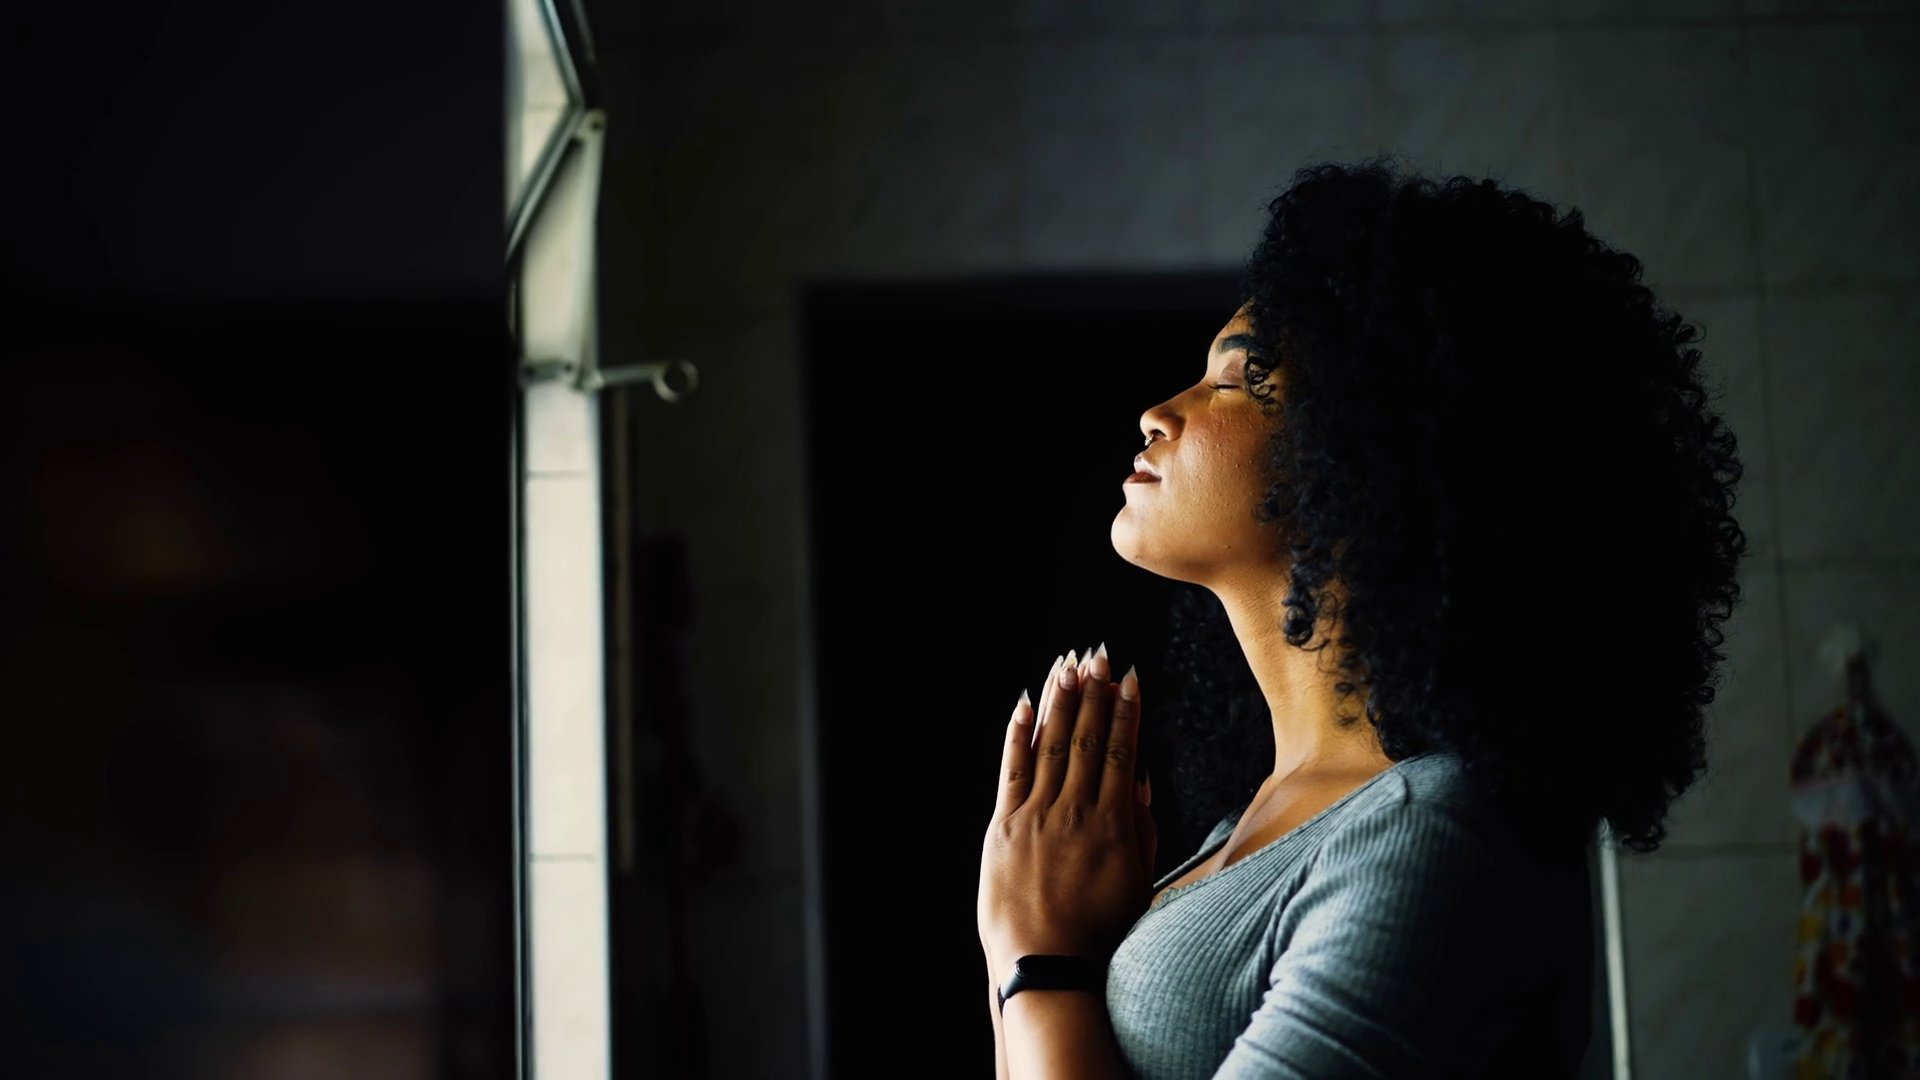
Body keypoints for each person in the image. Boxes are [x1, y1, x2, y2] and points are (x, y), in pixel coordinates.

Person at [976, 159, 1747, 1079]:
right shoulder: (1254, 824)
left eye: (1235, 383)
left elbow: (1043, 999)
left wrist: (1041, 963)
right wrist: (1037, 946)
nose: (1155, 414)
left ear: (1368, 452)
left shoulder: (1431, 827)